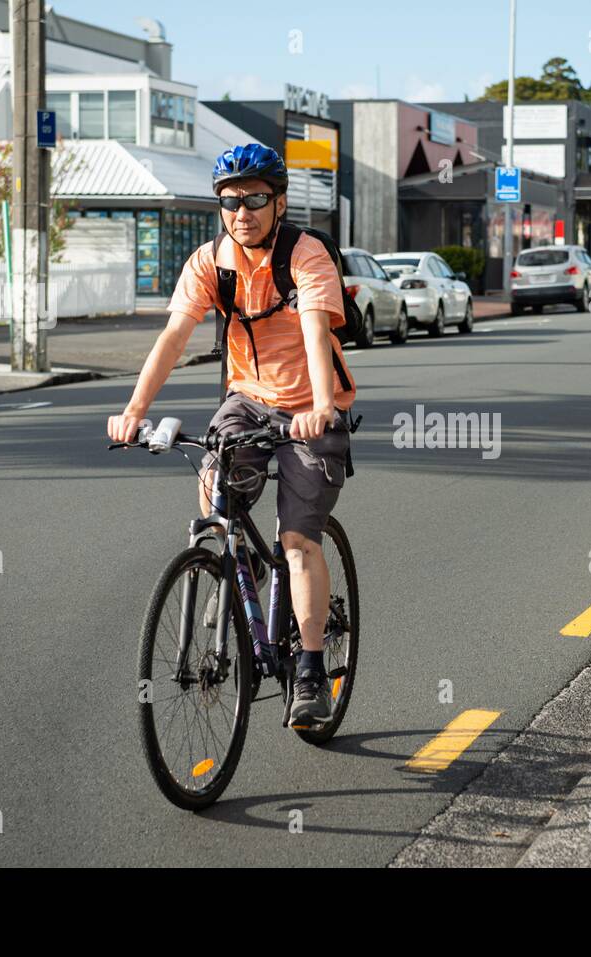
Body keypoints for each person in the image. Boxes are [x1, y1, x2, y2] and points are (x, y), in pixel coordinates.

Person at [106, 143, 357, 728]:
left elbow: (317, 336)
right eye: (230, 201)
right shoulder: (209, 262)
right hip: (247, 400)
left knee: (298, 541)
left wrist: (321, 407)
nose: (242, 211)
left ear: (279, 202)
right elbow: (174, 337)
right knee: (216, 484)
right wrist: (133, 410)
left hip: (309, 407)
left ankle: (312, 671)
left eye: (255, 199)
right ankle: (237, 558)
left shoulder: (307, 255)